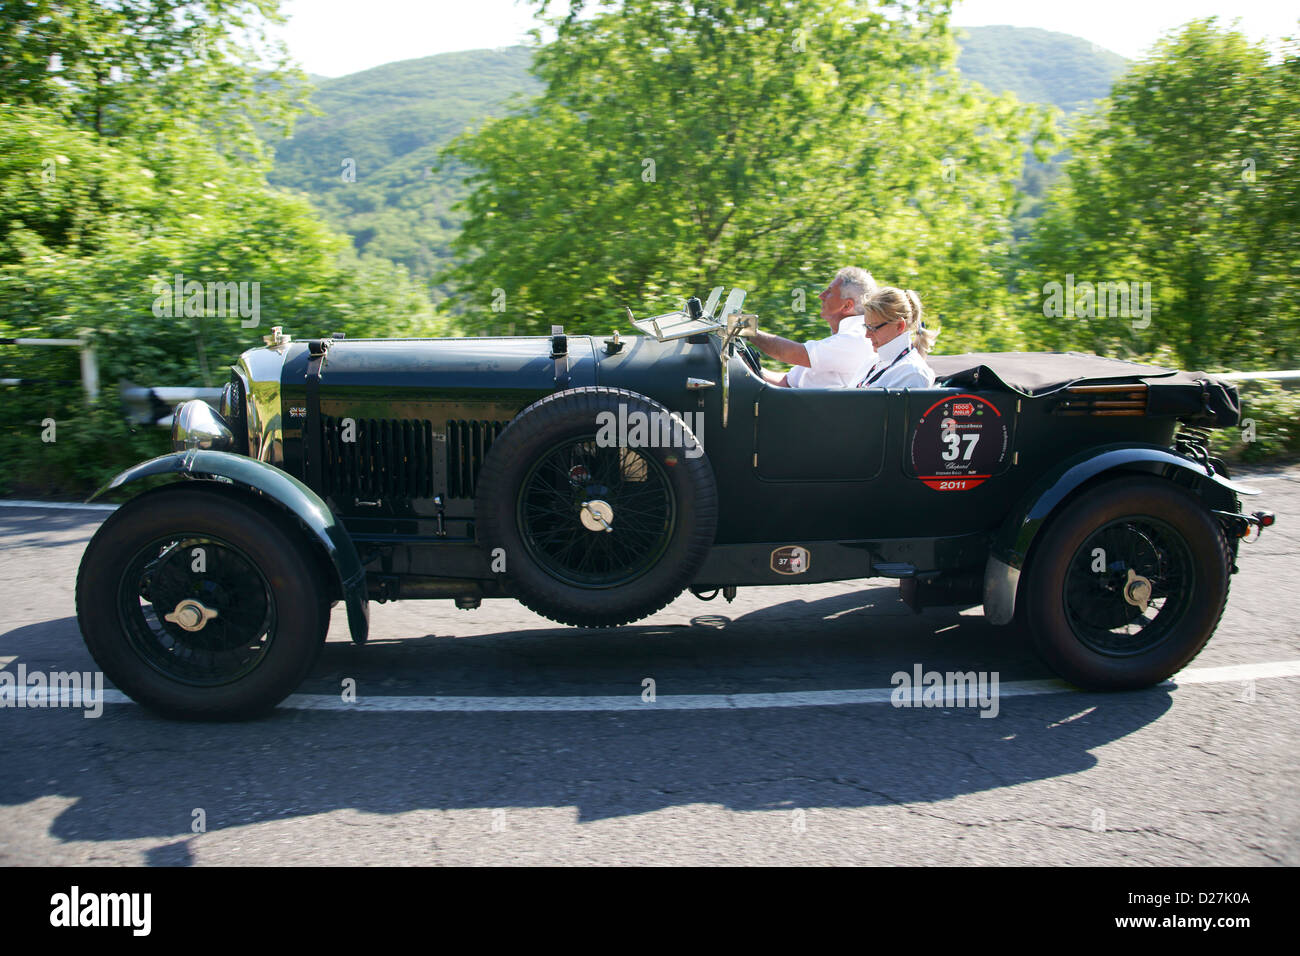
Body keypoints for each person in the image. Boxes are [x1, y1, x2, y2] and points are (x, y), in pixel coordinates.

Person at [740, 266, 876, 388]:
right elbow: (786, 382)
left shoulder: (856, 338)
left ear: (847, 306)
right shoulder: (840, 339)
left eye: (829, 292)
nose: (821, 296)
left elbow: (790, 353)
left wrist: (743, 326)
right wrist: (743, 364)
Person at [854, 287, 938, 389]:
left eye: (873, 328)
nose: (867, 335)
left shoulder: (912, 372)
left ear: (899, 326)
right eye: (866, 327)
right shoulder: (872, 361)